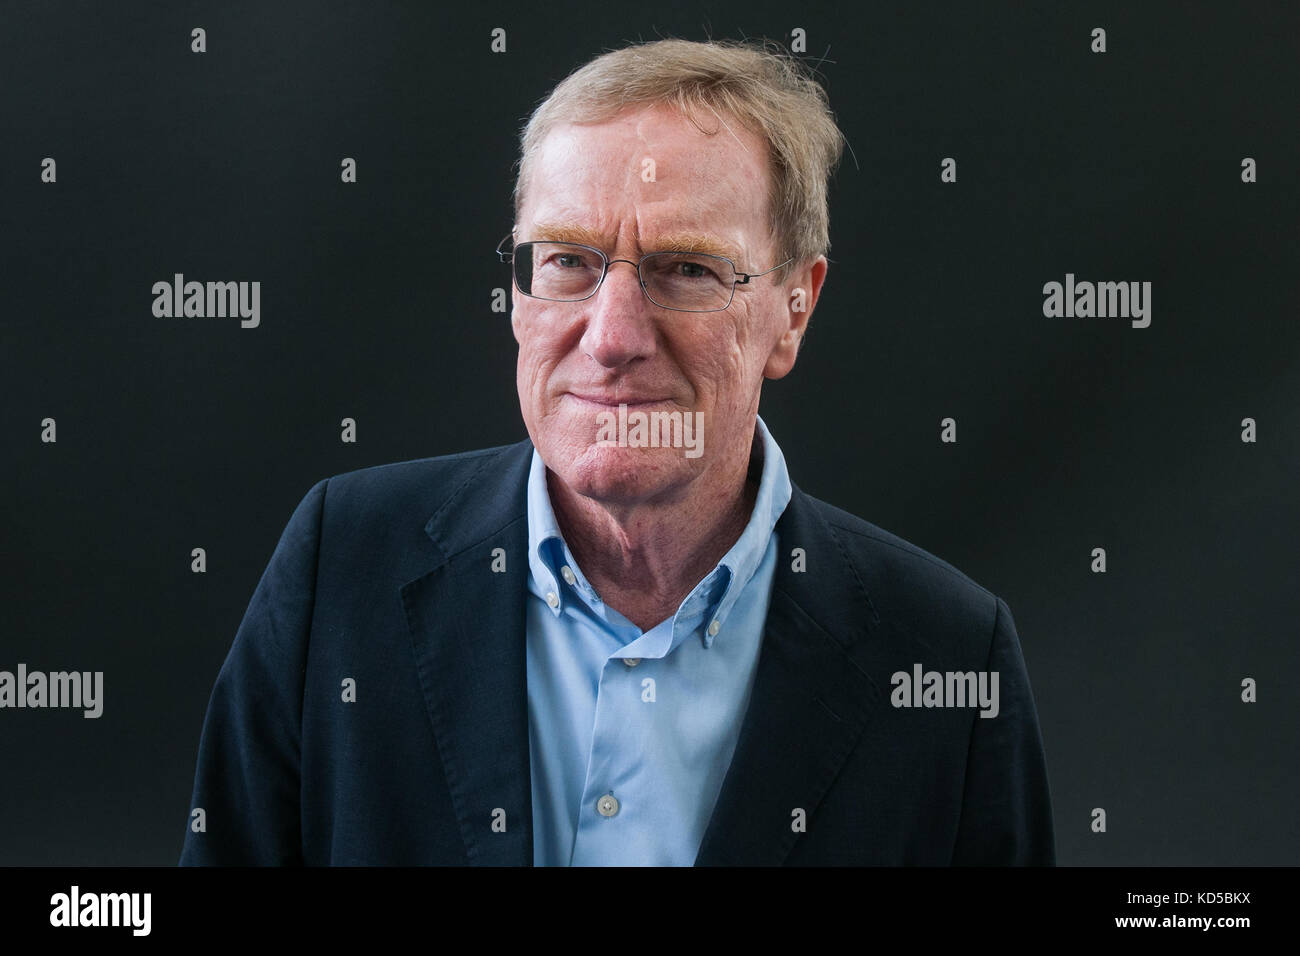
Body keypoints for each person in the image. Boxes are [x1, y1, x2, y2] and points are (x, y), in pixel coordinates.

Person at [179, 37, 1055, 866]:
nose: (613, 337)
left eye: (687, 270)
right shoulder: (343, 564)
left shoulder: (946, 654)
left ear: (794, 308)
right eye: (566, 260)